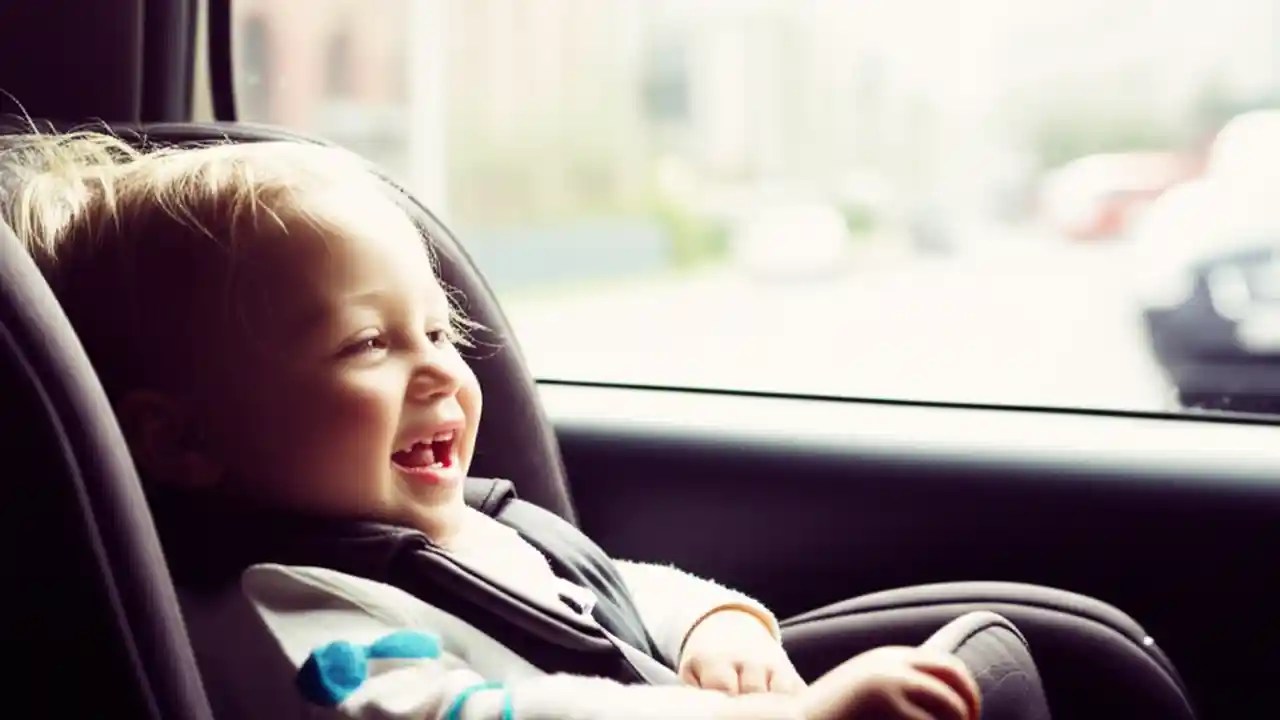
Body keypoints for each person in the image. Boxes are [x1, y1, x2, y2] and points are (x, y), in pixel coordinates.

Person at [2, 132, 982, 720]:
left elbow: (616, 588)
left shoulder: (473, 527)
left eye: (437, 329)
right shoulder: (289, 612)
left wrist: (713, 626)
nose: (438, 368)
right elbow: (497, 712)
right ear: (183, 441)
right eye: (365, 346)